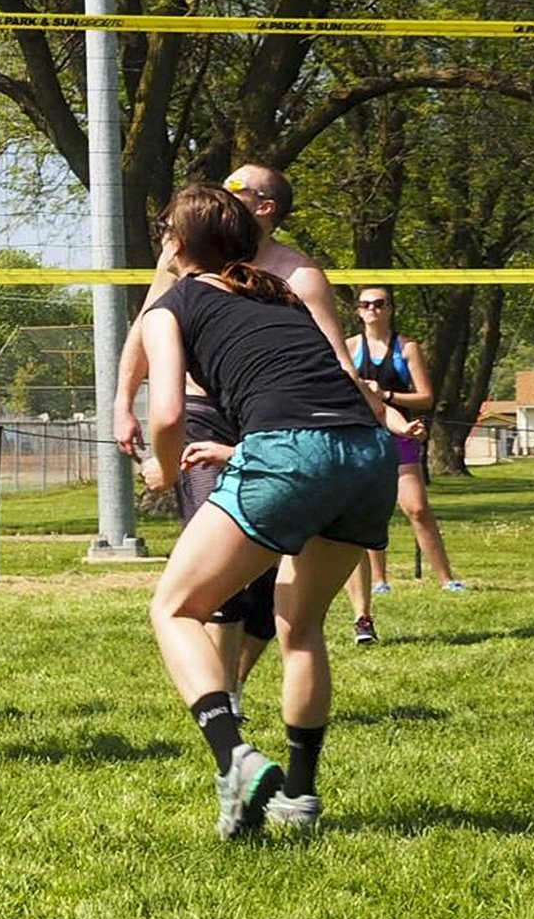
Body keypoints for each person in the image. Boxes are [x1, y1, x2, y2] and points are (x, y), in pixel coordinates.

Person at [139, 183, 398, 837]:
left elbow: (167, 413)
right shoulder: (274, 293)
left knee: (174, 607)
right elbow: (308, 384)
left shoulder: (169, 307)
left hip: (292, 450)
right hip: (369, 456)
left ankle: (237, 760)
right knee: (301, 625)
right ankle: (301, 798)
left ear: (176, 244)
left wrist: (160, 471)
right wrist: (248, 451)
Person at [343, 285, 466, 643]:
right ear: (358, 310)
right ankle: (379, 582)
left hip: (402, 433)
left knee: (416, 507)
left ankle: (446, 578)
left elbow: (426, 397)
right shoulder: (350, 347)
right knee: (369, 512)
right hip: (364, 434)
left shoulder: (406, 347)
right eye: (366, 304)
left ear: (390, 308)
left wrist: (387, 396)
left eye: (379, 304)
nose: (372, 310)